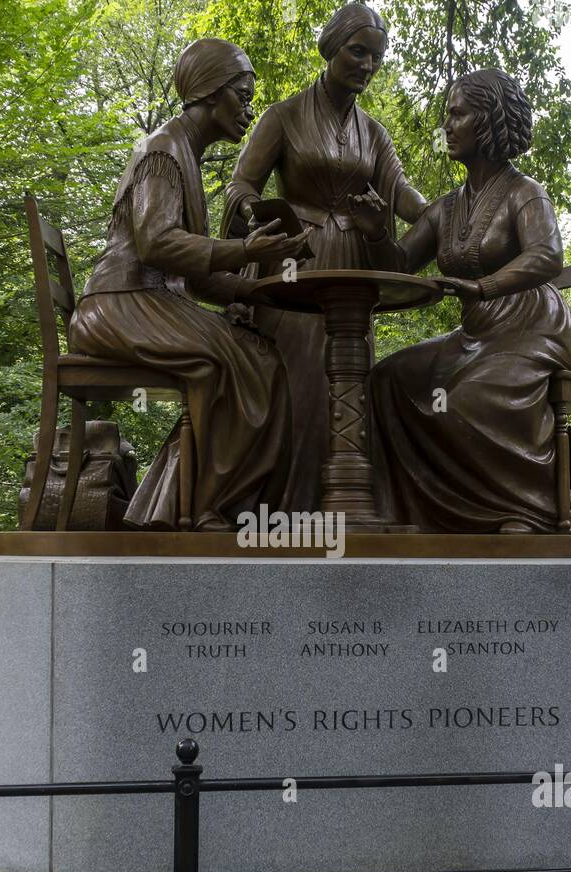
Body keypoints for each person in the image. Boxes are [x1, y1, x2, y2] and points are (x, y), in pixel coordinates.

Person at [71, 39, 307, 531]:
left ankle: (187, 503)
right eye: (241, 95)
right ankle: (201, 508)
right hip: (120, 303)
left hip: (152, 299)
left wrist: (250, 290)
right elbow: (157, 244)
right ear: (208, 92)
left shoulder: (186, 155)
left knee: (260, 354)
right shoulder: (162, 151)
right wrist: (245, 252)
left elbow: (194, 276)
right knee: (224, 361)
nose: (248, 109)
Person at [349, 69, 571, 532]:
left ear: (490, 120)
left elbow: (548, 255)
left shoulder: (525, 193)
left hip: (533, 328)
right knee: (387, 380)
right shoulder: (446, 207)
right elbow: (399, 264)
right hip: (477, 335)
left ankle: (528, 511)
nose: (448, 127)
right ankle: (418, 513)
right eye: (447, 116)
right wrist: (377, 230)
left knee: (467, 400)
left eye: (457, 115)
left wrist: (485, 286)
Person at [220, 2, 425, 512]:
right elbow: (241, 183)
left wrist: (444, 213)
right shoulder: (283, 116)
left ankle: (343, 501)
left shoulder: (374, 133)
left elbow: (401, 191)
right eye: (358, 53)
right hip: (296, 260)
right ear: (332, 48)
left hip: (352, 265)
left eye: (376, 59)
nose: (367, 66)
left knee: (347, 377)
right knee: (297, 379)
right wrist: (256, 214)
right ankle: (280, 506)